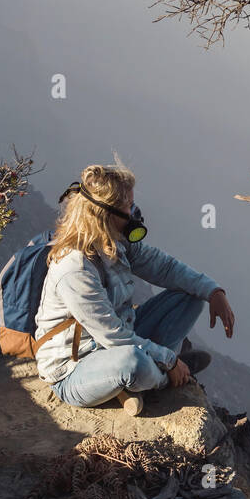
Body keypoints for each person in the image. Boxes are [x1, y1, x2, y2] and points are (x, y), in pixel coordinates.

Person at [34, 161, 234, 416]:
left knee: (191, 294)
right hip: (75, 367)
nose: (134, 212)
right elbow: (113, 337)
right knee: (132, 363)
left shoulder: (116, 242)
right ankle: (161, 377)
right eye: (128, 206)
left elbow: (166, 268)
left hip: (120, 338)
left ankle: (141, 381)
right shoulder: (75, 268)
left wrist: (214, 291)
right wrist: (170, 361)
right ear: (106, 214)